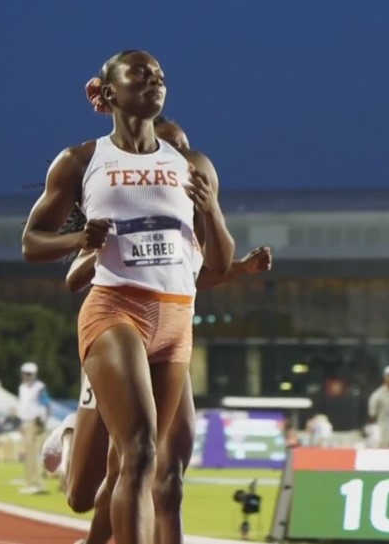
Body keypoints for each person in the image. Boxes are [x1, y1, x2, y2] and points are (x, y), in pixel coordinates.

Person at [22, 50, 234, 544]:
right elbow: (32, 242)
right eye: (139, 73)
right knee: (138, 450)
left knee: (146, 462)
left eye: (159, 74)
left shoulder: (192, 163)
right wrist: (79, 240)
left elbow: (219, 266)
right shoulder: (81, 160)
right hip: (116, 309)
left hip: (177, 319)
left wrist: (213, 211)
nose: (154, 80)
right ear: (109, 92)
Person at [41, 114, 271, 544]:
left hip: (170, 337)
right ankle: (70, 436)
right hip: (117, 334)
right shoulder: (118, 204)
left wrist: (237, 265)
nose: (181, 157)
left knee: (159, 471)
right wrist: (109, 246)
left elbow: (198, 273)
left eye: (184, 148)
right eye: (174, 147)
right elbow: (74, 280)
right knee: (81, 494)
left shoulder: (184, 214)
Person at [17, 362, 52, 494]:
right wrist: (20, 422)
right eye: (25, 373)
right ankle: (31, 482)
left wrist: (43, 420)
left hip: (35, 422)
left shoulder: (39, 387)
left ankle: (35, 483)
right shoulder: (22, 387)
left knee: (33, 454)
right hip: (26, 422)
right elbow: (23, 406)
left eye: (29, 374)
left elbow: (46, 404)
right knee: (28, 454)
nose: (27, 376)